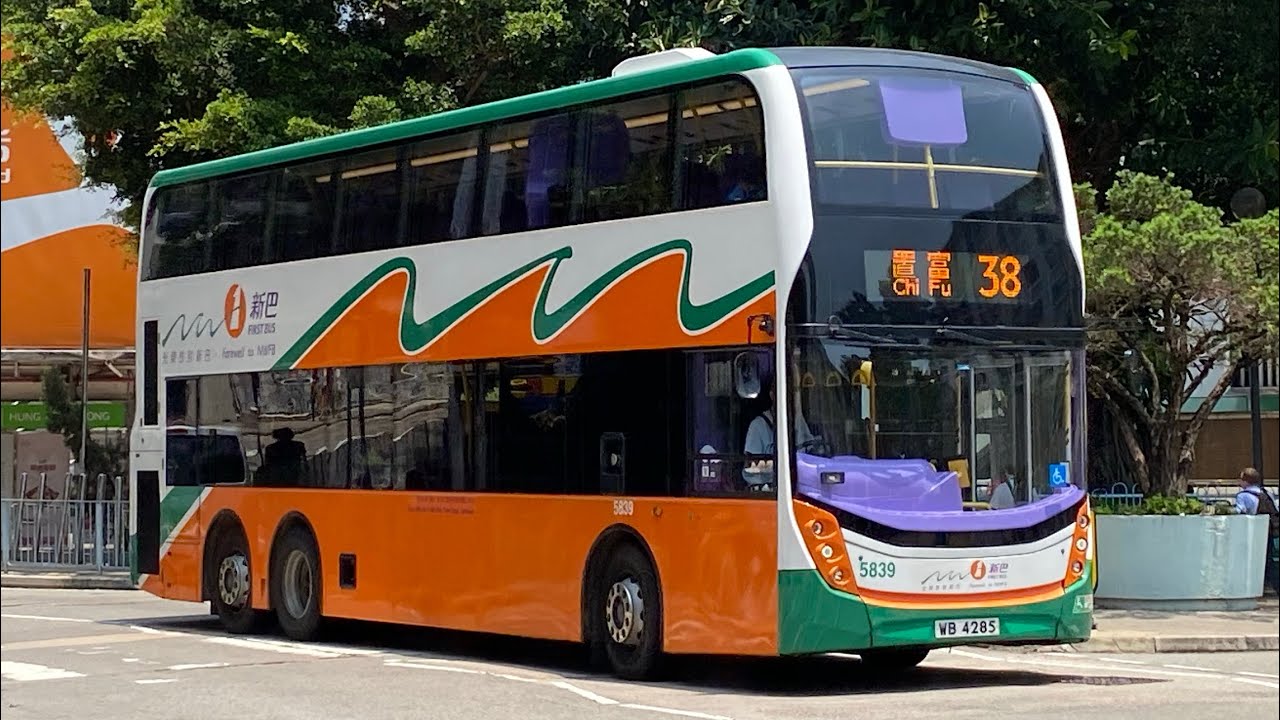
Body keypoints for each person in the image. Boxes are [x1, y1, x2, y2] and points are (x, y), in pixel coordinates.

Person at [742, 383, 817, 489]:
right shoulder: (758, 425)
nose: (790, 396)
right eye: (785, 391)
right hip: (770, 491)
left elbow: (810, 452)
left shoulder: (799, 421)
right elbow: (750, 470)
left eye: (795, 391)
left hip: (802, 486)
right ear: (772, 395)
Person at [1235, 467, 1279, 594]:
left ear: (1245, 481)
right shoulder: (1267, 493)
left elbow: (1239, 512)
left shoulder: (1242, 496)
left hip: (1253, 533)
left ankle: (1254, 586)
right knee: (1268, 559)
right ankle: (1271, 585)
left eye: (1241, 479)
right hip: (1270, 531)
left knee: (1252, 560)